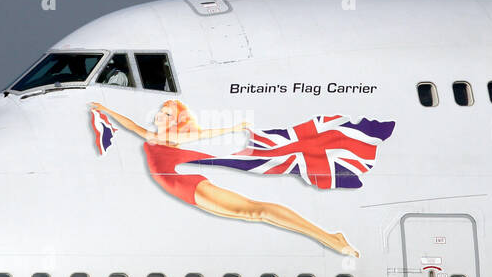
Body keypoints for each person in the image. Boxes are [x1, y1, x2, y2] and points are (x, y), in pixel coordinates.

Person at [89, 99, 360, 257]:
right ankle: (329, 237)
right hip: (185, 192)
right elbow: (131, 124)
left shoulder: (175, 136)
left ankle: (330, 237)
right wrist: (106, 110)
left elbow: (204, 134)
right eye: (161, 110)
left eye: (168, 113)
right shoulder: (153, 136)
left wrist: (234, 127)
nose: (161, 114)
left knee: (257, 211)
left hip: (191, 187)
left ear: (175, 121)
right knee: (251, 214)